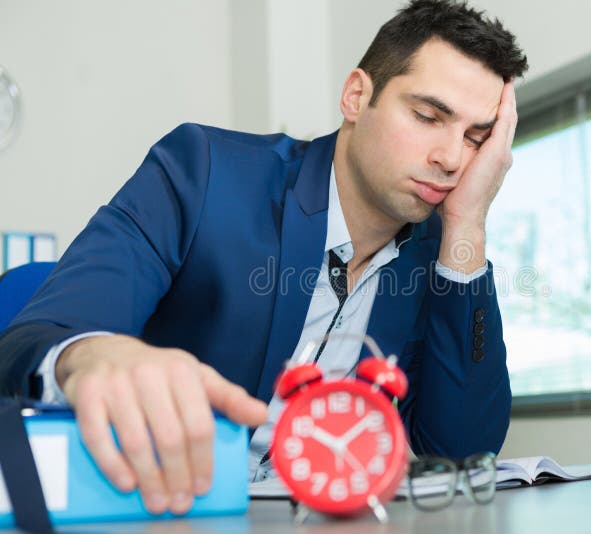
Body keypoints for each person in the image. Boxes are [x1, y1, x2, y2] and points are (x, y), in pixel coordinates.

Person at [0, 0, 527, 516]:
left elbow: (463, 450)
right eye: (428, 116)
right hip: (164, 509)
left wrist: (467, 227)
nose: (451, 158)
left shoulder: (439, 255)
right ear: (356, 96)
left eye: (476, 139)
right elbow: (34, 338)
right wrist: (85, 354)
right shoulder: (203, 173)